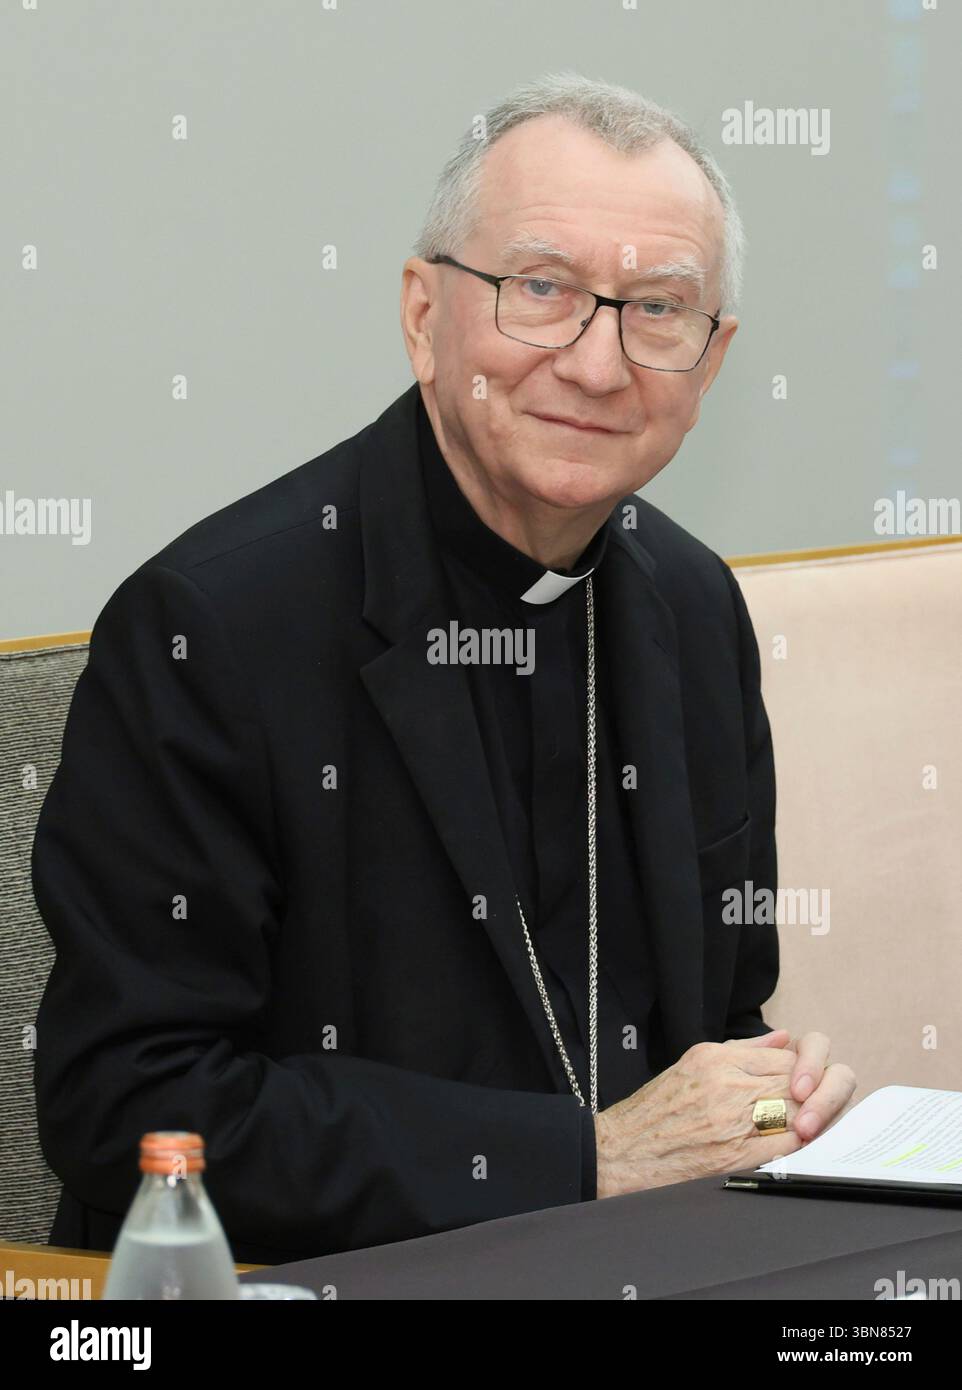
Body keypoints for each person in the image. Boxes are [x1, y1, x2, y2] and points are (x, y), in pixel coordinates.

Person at [32, 72, 856, 1265]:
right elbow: (133, 1104)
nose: (595, 361)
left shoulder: (692, 605)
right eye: (541, 290)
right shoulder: (209, 625)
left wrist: (767, 1095)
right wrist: (586, 1158)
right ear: (423, 316)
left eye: (656, 310)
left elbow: (717, 1021)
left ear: (712, 362)